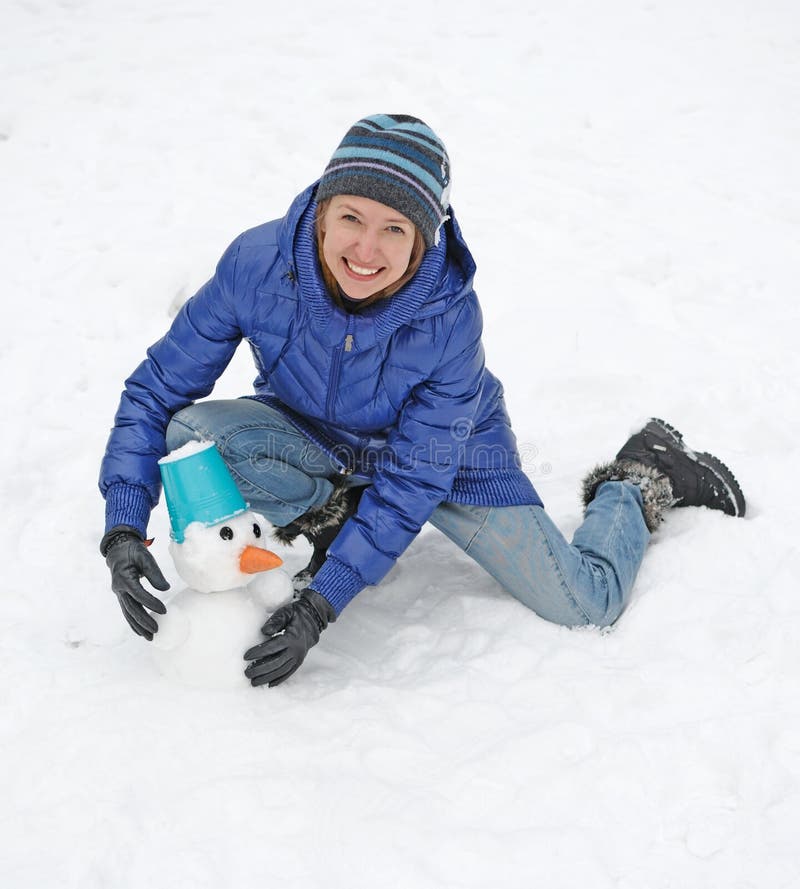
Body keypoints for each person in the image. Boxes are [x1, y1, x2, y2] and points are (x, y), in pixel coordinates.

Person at [99, 114, 746, 687]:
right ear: (322, 210)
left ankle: (643, 475)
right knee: (192, 435)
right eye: (350, 217)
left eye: (393, 229)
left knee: (585, 601)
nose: (365, 249)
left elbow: (413, 476)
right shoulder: (259, 265)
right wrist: (124, 526)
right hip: (311, 433)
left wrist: (323, 601)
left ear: (423, 240)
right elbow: (157, 389)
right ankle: (333, 508)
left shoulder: (449, 321)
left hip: (444, 455)